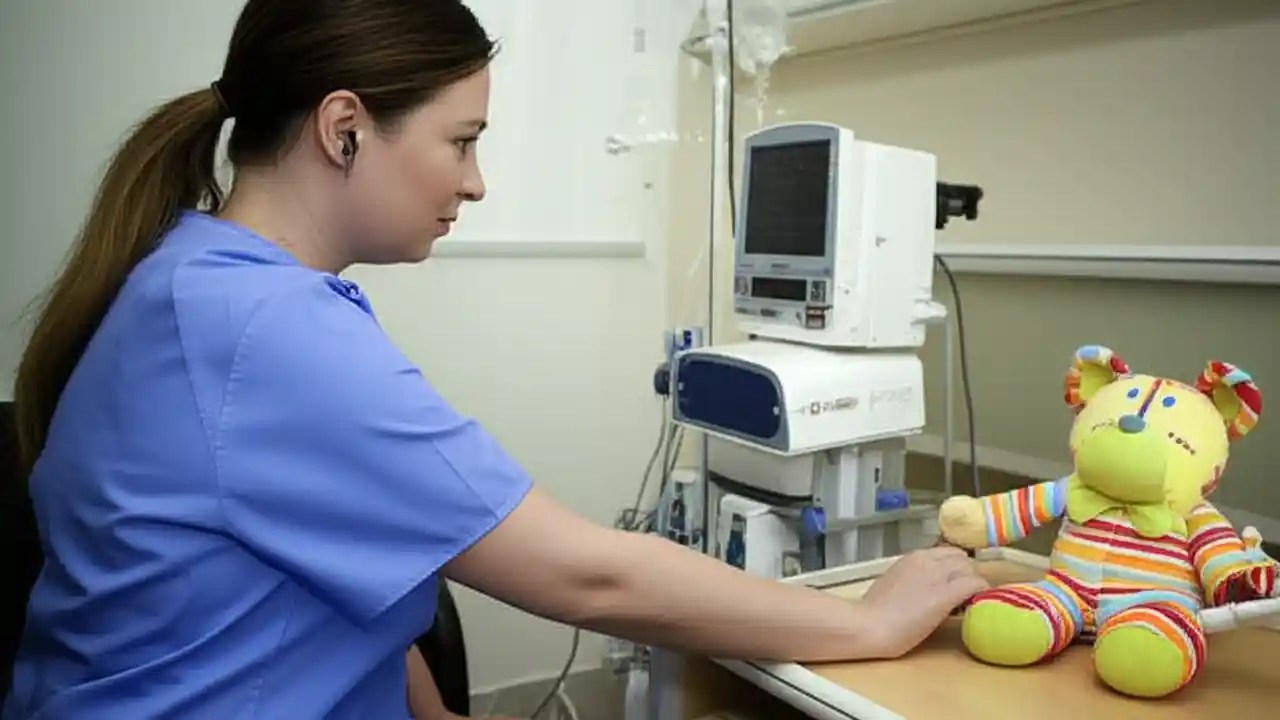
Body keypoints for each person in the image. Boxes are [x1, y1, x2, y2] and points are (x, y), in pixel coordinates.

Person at [2, 1, 989, 718]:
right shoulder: (265, 328)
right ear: (344, 129)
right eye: (461, 140)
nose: (475, 182)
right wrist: (863, 624)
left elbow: (330, 575)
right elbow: (586, 578)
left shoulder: (193, 277)